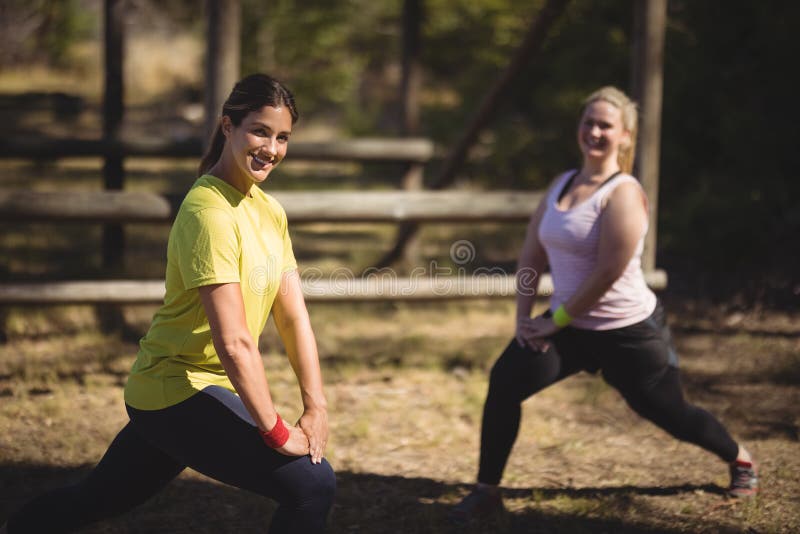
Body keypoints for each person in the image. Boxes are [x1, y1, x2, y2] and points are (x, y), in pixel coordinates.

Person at [2, 74, 335, 534]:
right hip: (175, 392)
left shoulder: (268, 210)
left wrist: (314, 405)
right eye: (259, 131)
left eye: (282, 137)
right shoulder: (208, 213)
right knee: (313, 486)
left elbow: (294, 315)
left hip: (198, 389)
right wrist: (276, 431)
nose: (271, 149)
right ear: (227, 127)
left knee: (95, 499)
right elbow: (235, 342)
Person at [450, 86, 758, 523]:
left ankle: (739, 457)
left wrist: (553, 321)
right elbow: (531, 256)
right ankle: (486, 491)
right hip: (568, 329)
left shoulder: (624, 193)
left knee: (670, 414)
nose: (594, 131)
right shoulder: (560, 185)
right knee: (505, 381)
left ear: (626, 136)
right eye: (588, 122)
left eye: (605, 125)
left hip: (627, 331)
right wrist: (523, 320)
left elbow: (608, 272)